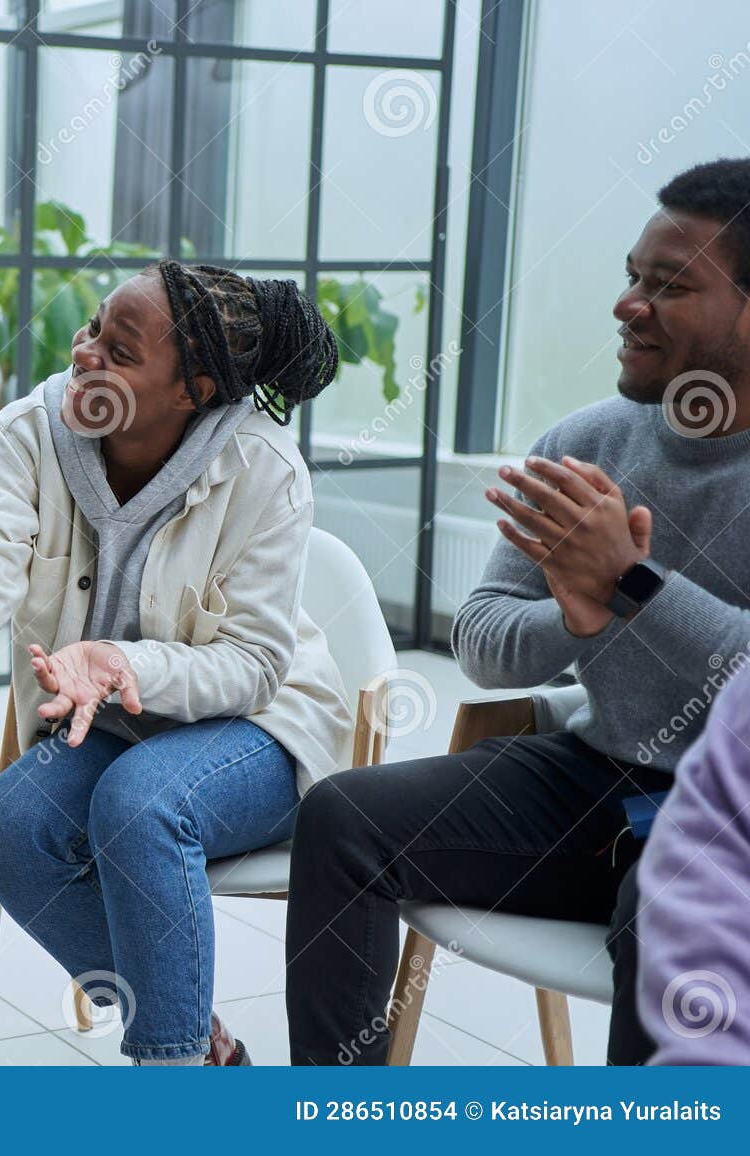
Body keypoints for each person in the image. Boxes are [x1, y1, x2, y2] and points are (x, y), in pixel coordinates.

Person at [0, 260, 351, 1065]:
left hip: (259, 726)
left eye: (120, 351)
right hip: (114, 729)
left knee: (139, 804)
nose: (84, 352)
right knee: (14, 827)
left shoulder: (264, 468)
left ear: (193, 390)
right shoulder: (27, 436)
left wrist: (120, 661)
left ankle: (169, 1078)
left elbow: (254, 664)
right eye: (94, 326)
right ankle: (200, 1048)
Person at [285, 157, 750, 1066]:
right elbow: (481, 640)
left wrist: (632, 584)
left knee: (663, 916)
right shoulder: (586, 444)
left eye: (670, 285)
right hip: (596, 775)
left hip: (731, 812)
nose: (628, 305)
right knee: (342, 819)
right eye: (631, 276)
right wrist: (573, 619)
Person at [638, 665, 750, 1065]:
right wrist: (570, 633)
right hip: (595, 758)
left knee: (634, 909)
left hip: (673, 777)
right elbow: (488, 656)